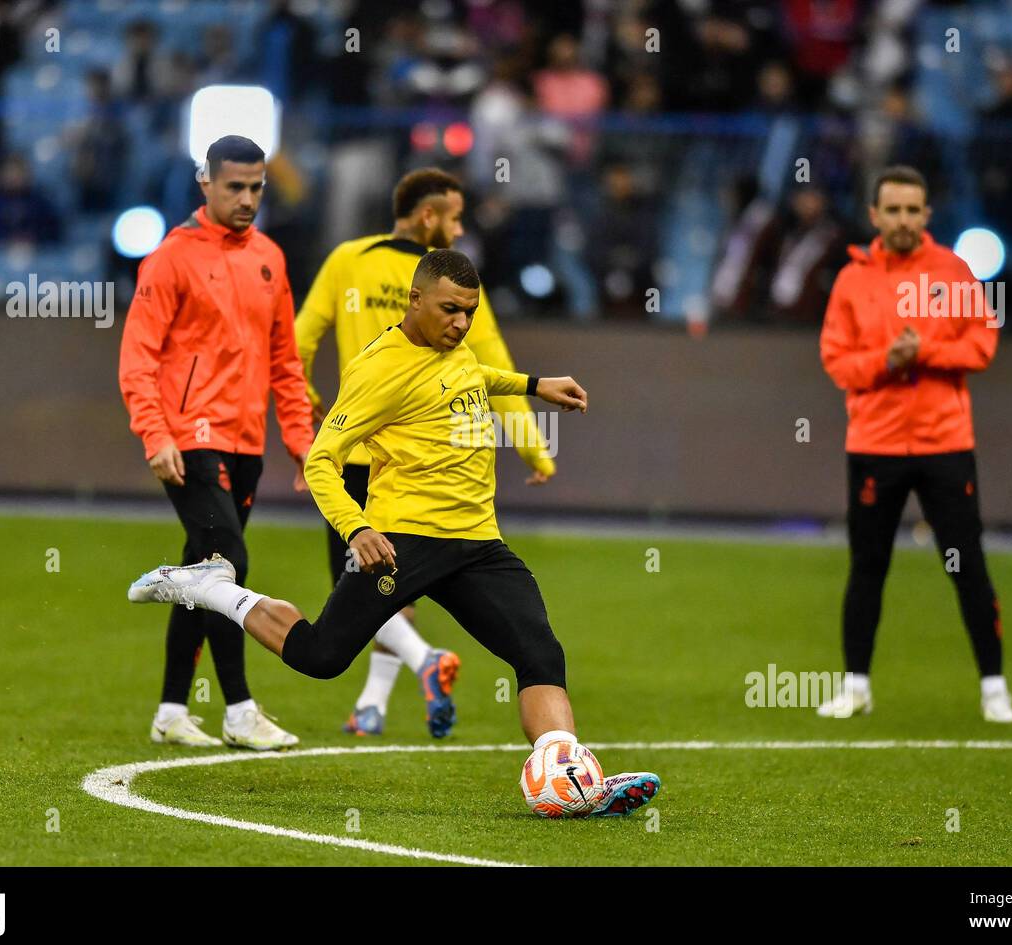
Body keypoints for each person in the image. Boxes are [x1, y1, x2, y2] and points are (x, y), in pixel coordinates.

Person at [128, 249, 660, 818]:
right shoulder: (378, 369)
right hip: (401, 542)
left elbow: (467, 378)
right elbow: (321, 462)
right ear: (415, 300)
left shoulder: (455, 348)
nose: (461, 324)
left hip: (478, 544)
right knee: (322, 656)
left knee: (539, 653)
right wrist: (356, 528)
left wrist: (531, 384)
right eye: (450, 310)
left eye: (470, 313)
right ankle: (213, 588)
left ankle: (566, 777)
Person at [295, 168, 556, 737]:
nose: (460, 229)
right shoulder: (437, 293)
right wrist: (533, 446)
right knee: (353, 617)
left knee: (378, 596)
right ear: (429, 216)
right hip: (374, 468)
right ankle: (412, 670)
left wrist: (302, 406)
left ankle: (375, 703)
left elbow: (302, 337)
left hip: (379, 466)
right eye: (455, 217)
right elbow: (489, 351)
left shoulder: (359, 263)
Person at [118, 135, 314, 749]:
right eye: (235, 187)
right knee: (228, 567)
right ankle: (240, 711)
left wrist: (305, 444)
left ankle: (172, 711)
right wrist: (155, 433)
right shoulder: (173, 257)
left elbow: (285, 359)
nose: (249, 198)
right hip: (189, 436)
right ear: (206, 184)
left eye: (257, 187)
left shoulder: (270, 259)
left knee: (205, 578)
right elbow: (138, 356)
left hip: (246, 442)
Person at [817, 165, 1012, 723]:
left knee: (967, 564)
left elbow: (982, 345)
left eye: (913, 210)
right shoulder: (852, 280)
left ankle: (994, 686)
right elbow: (837, 362)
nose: (903, 220)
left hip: (944, 444)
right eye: (893, 210)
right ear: (874, 215)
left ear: (927, 215)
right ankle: (856, 685)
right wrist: (887, 360)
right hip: (875, 445)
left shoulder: (953, 273)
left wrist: (922, 352)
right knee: (867, 567)